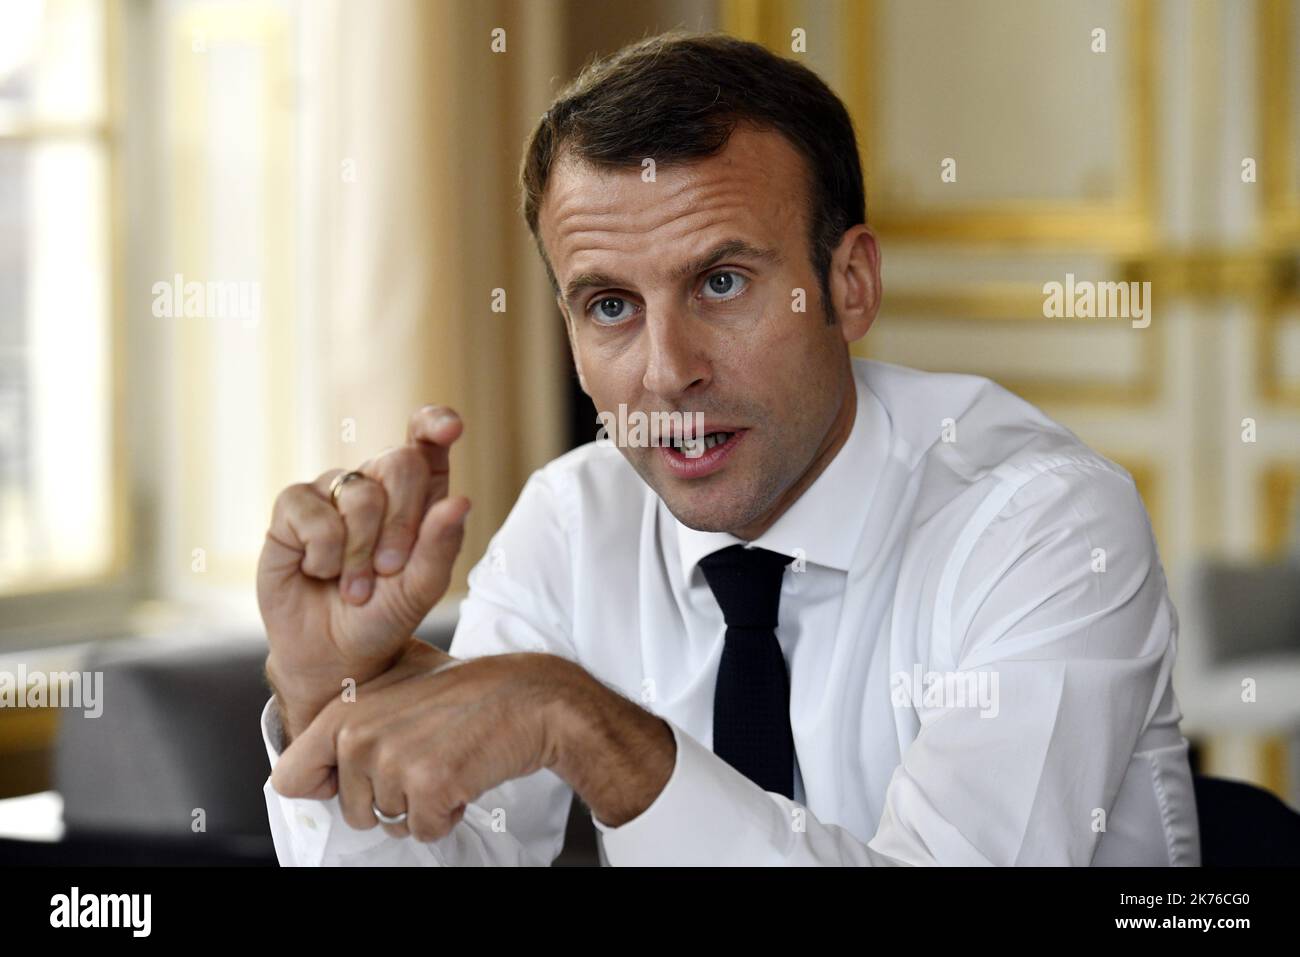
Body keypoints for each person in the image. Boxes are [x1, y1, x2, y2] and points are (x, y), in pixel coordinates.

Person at [258, 30, 1200, 866]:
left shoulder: (1048, 525)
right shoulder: (574, 521)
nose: (666, 373)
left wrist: (582, 725)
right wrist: (322, 696)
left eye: (720, 282)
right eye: (611, 306)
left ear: (851, 284)